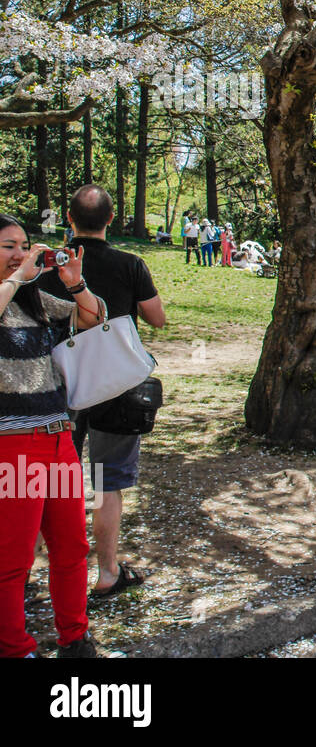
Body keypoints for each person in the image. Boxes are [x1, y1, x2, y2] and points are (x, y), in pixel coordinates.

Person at [37, 185, 166, 603]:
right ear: (111, 220)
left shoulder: (47, 264)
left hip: (59, 389)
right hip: (114, 388)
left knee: (53, 480)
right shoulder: (131, 264)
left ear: (68, 220)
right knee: (104, 480)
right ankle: (107, 572)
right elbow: (158, 319)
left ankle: (28, 570)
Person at [1, 213, 106, 658]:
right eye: (8, 246)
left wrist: (76, 283)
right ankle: (15, 647)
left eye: (24, 245)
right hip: (14, 445)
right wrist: (17, 278)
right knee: (14, 558)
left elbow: (95, 318)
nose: (20, 254)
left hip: (58, 437)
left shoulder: (35, 299)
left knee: (72, 546)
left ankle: (75, 639)